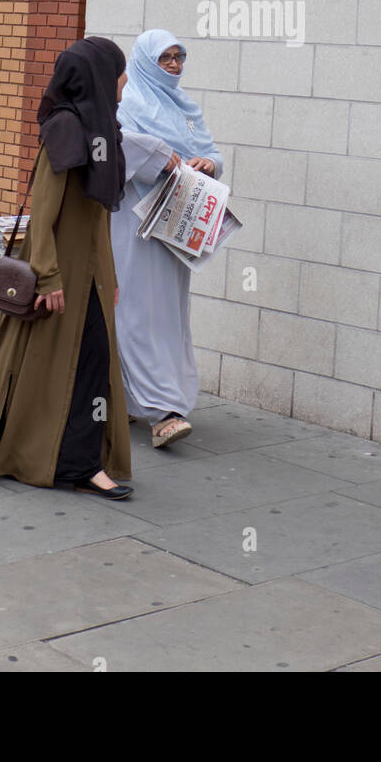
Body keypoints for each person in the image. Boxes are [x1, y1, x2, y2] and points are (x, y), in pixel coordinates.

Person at [0, 37, 133, 499]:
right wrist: (48, 274)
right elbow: (43, 211)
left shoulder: (103, 130)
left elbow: (98, 218)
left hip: (91, 276)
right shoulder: (67, 128)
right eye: (119, 71)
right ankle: (74, 464)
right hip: (60, 275)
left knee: (86, 365)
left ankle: (73, 460)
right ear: (98, 77)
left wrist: (110, 277)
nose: (125, 81)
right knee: (62, 367)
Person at [113, 29, 224, 449]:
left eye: (179, 57)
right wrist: (158, 156)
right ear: (145, 61)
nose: (175, 65)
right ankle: (163, 411)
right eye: (166, 58)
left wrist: (208, 164)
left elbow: (212, 150)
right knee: (136, 309)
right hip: (133, 224)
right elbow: (117, 151)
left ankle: (136, 398)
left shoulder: (185, 108)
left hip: (175, 224)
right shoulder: (127, 103)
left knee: (169, 313)